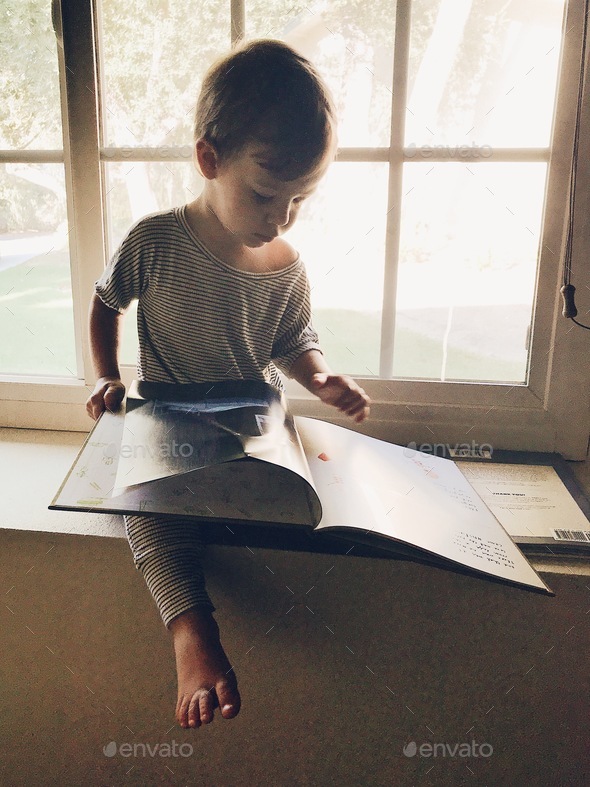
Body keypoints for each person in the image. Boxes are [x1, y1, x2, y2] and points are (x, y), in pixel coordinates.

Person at [85, 39, 370, 730]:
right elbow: (105, 303)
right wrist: (103, 378)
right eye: (268, 193)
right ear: (209, 160)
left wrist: (320, 374)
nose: (281, 217)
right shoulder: (155, 242)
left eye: (300, 199)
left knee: (306, 498)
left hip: (249, 427)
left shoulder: (285, 265)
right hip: (166, 416)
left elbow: (293, 337)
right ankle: (191, 630)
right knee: (145, 504)